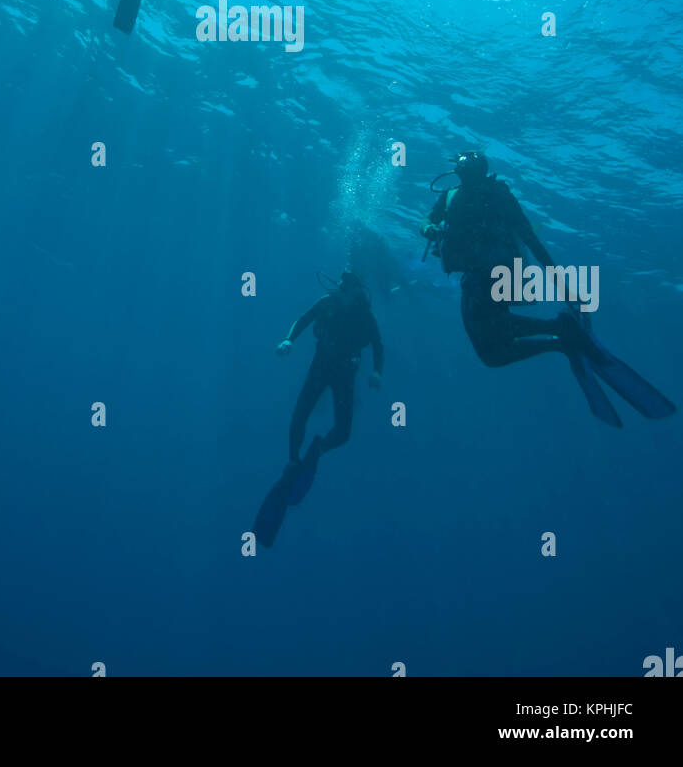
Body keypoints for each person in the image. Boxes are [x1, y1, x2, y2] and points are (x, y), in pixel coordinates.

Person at [420, 151, 675, 425]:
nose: (466, 176)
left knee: (491, 336)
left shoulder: (497, 195)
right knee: (493, 354)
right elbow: (425, 222)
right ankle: (561, 339)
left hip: (495, 274)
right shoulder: (449, 197)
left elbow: (529, 237)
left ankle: (560, 332)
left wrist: (563, 287)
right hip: (475, 275)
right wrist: (431, 229)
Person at [253, 270, 383, 548]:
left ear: (357, 292)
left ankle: (318, 448)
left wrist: (378, 373)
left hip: (344, 373)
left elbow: (378, 344)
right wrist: (289, 339)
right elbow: (303, 320)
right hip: (321, 367)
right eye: (344, 287)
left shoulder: (364, 314)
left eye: (351, 290)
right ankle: (293, 460)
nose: (346, 293)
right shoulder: (328, 302)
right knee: (299, 414)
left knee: (344, 433)